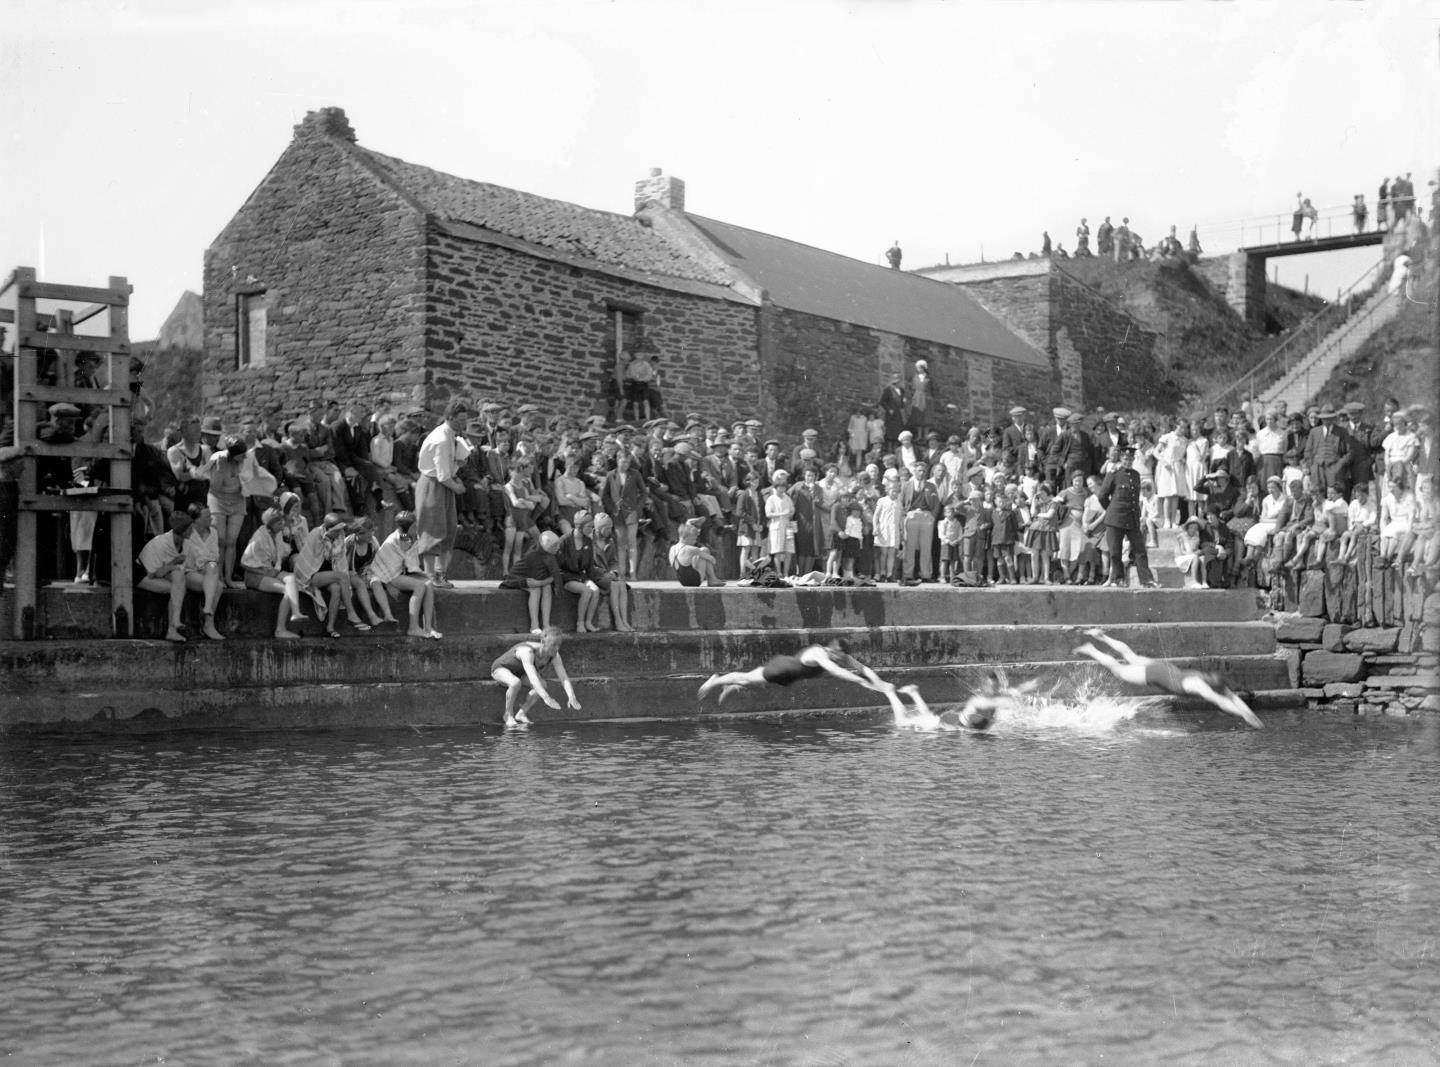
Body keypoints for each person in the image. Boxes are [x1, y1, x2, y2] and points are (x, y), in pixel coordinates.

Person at [1072, 628, 1262, 728]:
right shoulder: (1199, 685)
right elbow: (1220, 700)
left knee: (1132, 657)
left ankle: (1103, 637)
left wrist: (1250, 715)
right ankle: (1092, 650)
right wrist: (1244, 715)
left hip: (1167, 669)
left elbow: (1232, 698)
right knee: (1120, 671)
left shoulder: (1208, 679)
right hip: (1158, 674)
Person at [697, 638, 890, 704]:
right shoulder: (819, 653)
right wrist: (860, 681)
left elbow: (863, 668)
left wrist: (879, 682)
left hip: (789, 677)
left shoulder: (842, 656)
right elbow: (836, 671)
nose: (844, 659)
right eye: (841, 656)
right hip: (781, 669)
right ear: (834, 650)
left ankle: (732, 686)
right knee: (746, 677)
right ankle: (715, 680)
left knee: (753, 683)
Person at [366, 510, 440, 639]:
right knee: (419, 586)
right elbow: (386, 569)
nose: (417, 527)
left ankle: (428, 627)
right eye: (415, 525)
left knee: (428, 584)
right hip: (389, 574)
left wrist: (422, 574)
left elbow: (410, 563)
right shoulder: (394, 540)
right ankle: (413, 627)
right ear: (407, 528)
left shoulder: (411, 537)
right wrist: (389, 585)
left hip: (400, 571)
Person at [489, 627, 581, 726]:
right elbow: (533, 678)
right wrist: (546, 697)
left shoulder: (555, 656)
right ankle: (508, 715)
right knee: (515, 683)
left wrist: (572, 697)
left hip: (520, 673)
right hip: (500, 669)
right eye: (554, 645)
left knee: (543, 685)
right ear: (543, 642)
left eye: (559, 645)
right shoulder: (527, 652)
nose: (557, 648)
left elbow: (564, 678)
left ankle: (521, 714)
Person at [240, 506, 308, 639]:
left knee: (291, 578)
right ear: (270, 525)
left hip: (269, 570)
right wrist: (265, 572)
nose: (282, 525)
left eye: (282, 522)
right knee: (287, 590)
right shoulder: (259, 537)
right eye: (279, 523)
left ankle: (295, 612)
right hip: (254, 575)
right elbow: (244, 563)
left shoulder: (276, 534)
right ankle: (280, 630)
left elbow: (280, 554)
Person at [884, 673, 1036, 732]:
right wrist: (1013, 702)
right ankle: (890, 692)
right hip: (947, 723)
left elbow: (1012, 692)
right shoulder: (979, 701)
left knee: (927, 716)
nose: (994, 689)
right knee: (901, 723)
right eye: (991, 686)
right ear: (984, 687)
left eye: (996, 686)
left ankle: (914, 692)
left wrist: (1024, 688)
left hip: (954, 722)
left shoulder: (997, 695)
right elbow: (996, 703)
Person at [136, 510, 196, 643]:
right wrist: (172, 563)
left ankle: (175, 623)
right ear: (182, 530)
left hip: (161, 573)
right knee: (176, 589)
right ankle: (172, 628)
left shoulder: (185, 543)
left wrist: (173, 566)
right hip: (144, 575)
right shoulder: (161, 544)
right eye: (190, 528)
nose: (193, 531)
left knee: (179, 579)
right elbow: (153, 574)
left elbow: (179, 569)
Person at [501, 528, 564, 634]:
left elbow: (554, 575)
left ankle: (546, 624)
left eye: (558, 545)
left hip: (538, 580)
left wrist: (542, 583)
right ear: (546, 546)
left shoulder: (551, 554)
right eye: (554, 546)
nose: (558, 548)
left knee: (547, 587)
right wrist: (542, 582)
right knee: (536, 589)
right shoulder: (533, 556)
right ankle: (534, 625)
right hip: (518, 578)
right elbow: (536, 579)